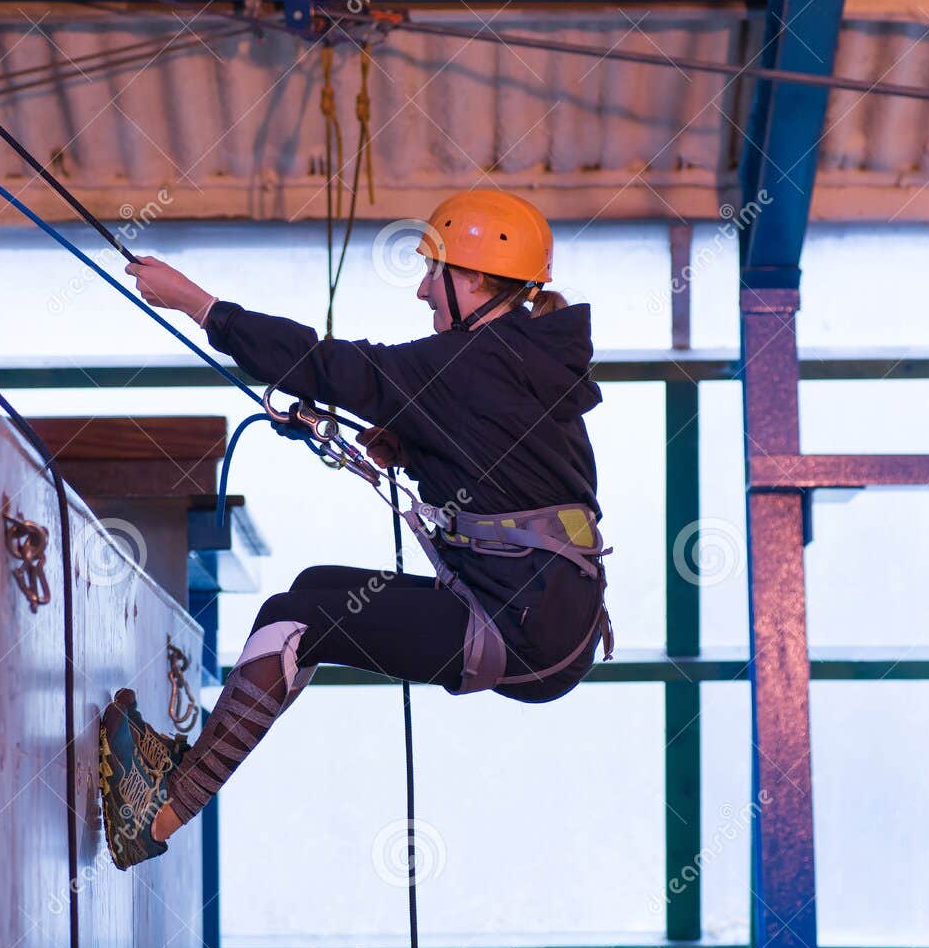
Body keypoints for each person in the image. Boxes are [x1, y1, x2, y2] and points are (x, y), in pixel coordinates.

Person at [97, 190, 613, 869]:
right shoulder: (523, 361)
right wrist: (419, 445)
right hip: (539, 616)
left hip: (520, 623)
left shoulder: (474, 363)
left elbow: (326, 366)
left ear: (477, 280)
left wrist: (201, 305)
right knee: (310, 598)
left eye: (436, 273)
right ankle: (183, 771)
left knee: (305, 615)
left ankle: (159, 813)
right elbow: (513, 468)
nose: (424, 291)